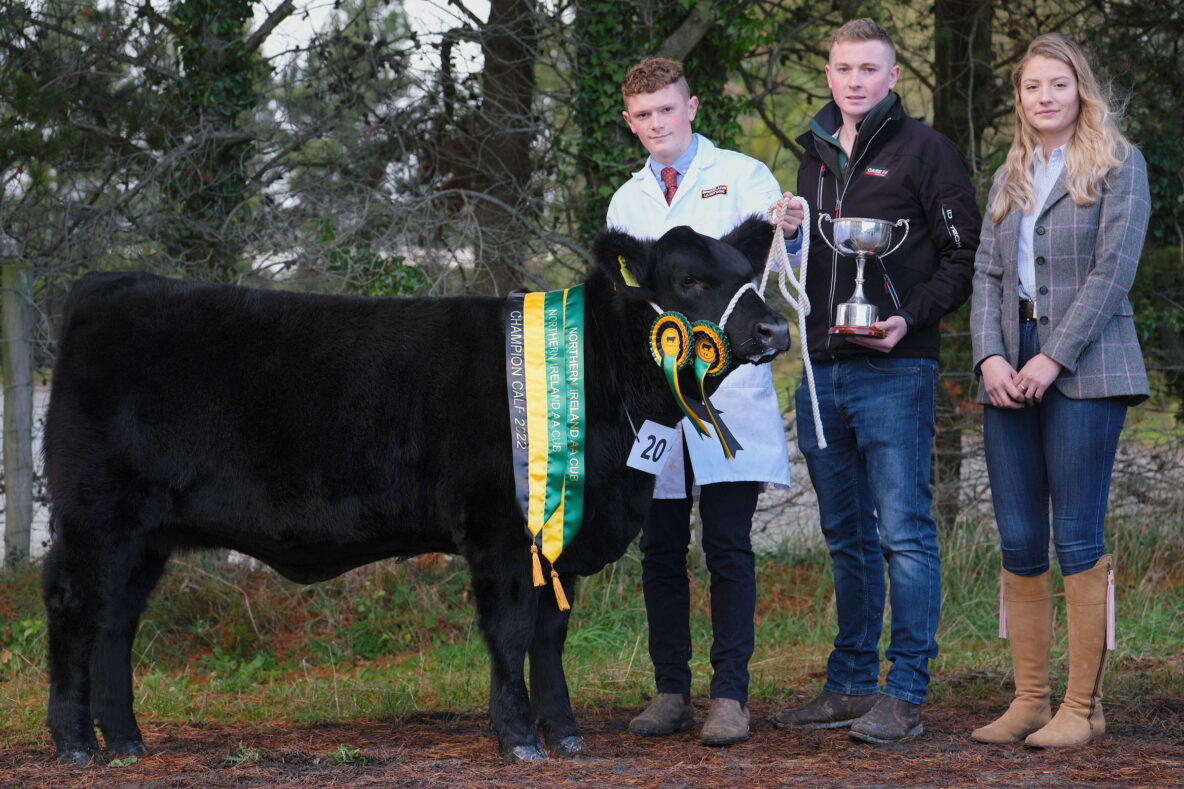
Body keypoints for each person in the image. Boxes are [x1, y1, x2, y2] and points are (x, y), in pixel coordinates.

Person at [769, 19, 980, 743]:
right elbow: (811, 267)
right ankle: (851, 680)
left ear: (892, 77)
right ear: (827, 75)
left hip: (897, 367)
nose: (854, 80)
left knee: (905, 535)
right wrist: (792, 233)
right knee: (845, 537)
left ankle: (906, 691)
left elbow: (963, 257)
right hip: (822, 371)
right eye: (842, 68)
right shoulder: (813, 157)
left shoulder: (929, 152)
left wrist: (907, 319)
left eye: (869, 69)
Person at [606, 56, 795, 747]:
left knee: (727, 545)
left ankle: (731, 696)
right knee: (659, 546)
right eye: (644, 114)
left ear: (691, 108)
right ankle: (669, 689)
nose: (658, 122)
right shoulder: (627, 203)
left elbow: (776, 272)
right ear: (631, 124)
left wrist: (792, 230)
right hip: (658, 402)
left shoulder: (744, 178)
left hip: (728, 396)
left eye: (668, 108)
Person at [968, 33, 1150, 748]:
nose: (1045, 97)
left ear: (1081, 89)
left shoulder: (1117, 164)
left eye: (1058, 85)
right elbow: (987, 273)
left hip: (1087, 364)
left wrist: (1054, 359)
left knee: (1075, 534)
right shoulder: (1010, 172)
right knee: (1017, 536)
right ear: (1020, 98)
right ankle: (1031, 700)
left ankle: (1082, 705)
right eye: (1031, 87)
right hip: (1007, 364)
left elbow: (1113, 271)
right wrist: (988, 354)